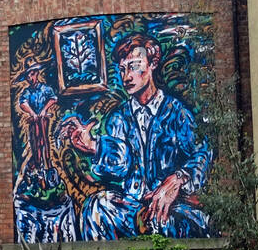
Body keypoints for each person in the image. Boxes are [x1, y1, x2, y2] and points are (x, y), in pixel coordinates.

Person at [60, 33, 211, 239]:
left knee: (168, 221)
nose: (126, 77)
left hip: (171, 207)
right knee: (96, 207)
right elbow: (121, 163)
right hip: (133, 208)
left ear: (153, 63)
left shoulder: (176, 112)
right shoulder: (119, 117)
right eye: (122, 69)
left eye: (134, 66)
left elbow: (202, 152)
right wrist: (94, 146)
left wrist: (178, 179)